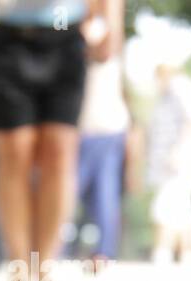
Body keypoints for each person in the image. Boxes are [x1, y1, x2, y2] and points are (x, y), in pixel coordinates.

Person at [0, 0, 119, 281]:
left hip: (67, 36)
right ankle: (19, 264)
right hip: (10, 37)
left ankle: (45, 265)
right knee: (14, 152)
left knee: (59, 152)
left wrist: (112, 22)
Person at [72, 0, 129, 262]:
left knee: (75, 190)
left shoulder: (94, 31)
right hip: (107, 125)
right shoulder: (103, 31)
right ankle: (102, 251)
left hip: (95, 126)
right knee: (103, 192)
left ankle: (98, 251)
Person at [146, 62, 191, 264]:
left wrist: (180, 150)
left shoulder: (180, 87)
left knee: (165, 205)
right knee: (180, 207)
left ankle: (164, 250)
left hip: (179, 159)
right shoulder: (166, 95)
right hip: (169, 161)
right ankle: (188, 253)